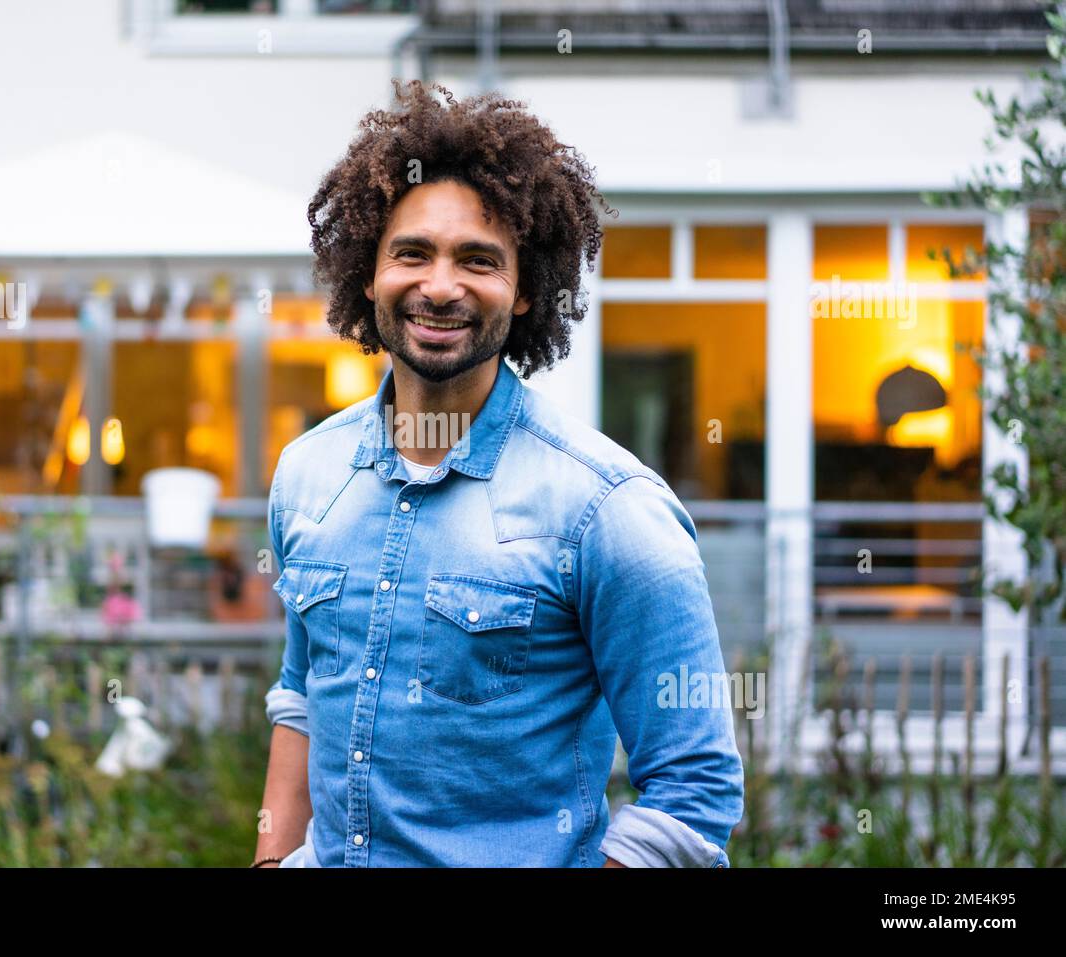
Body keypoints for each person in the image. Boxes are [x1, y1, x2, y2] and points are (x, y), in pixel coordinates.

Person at [252, 80, 743, 868]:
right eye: (411, 252)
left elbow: (693, 792)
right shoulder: (307, 473)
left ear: (522, 293)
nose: (439, 286)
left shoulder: (607, 508)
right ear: (368, 273)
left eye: (478, 260)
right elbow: (303, 695)